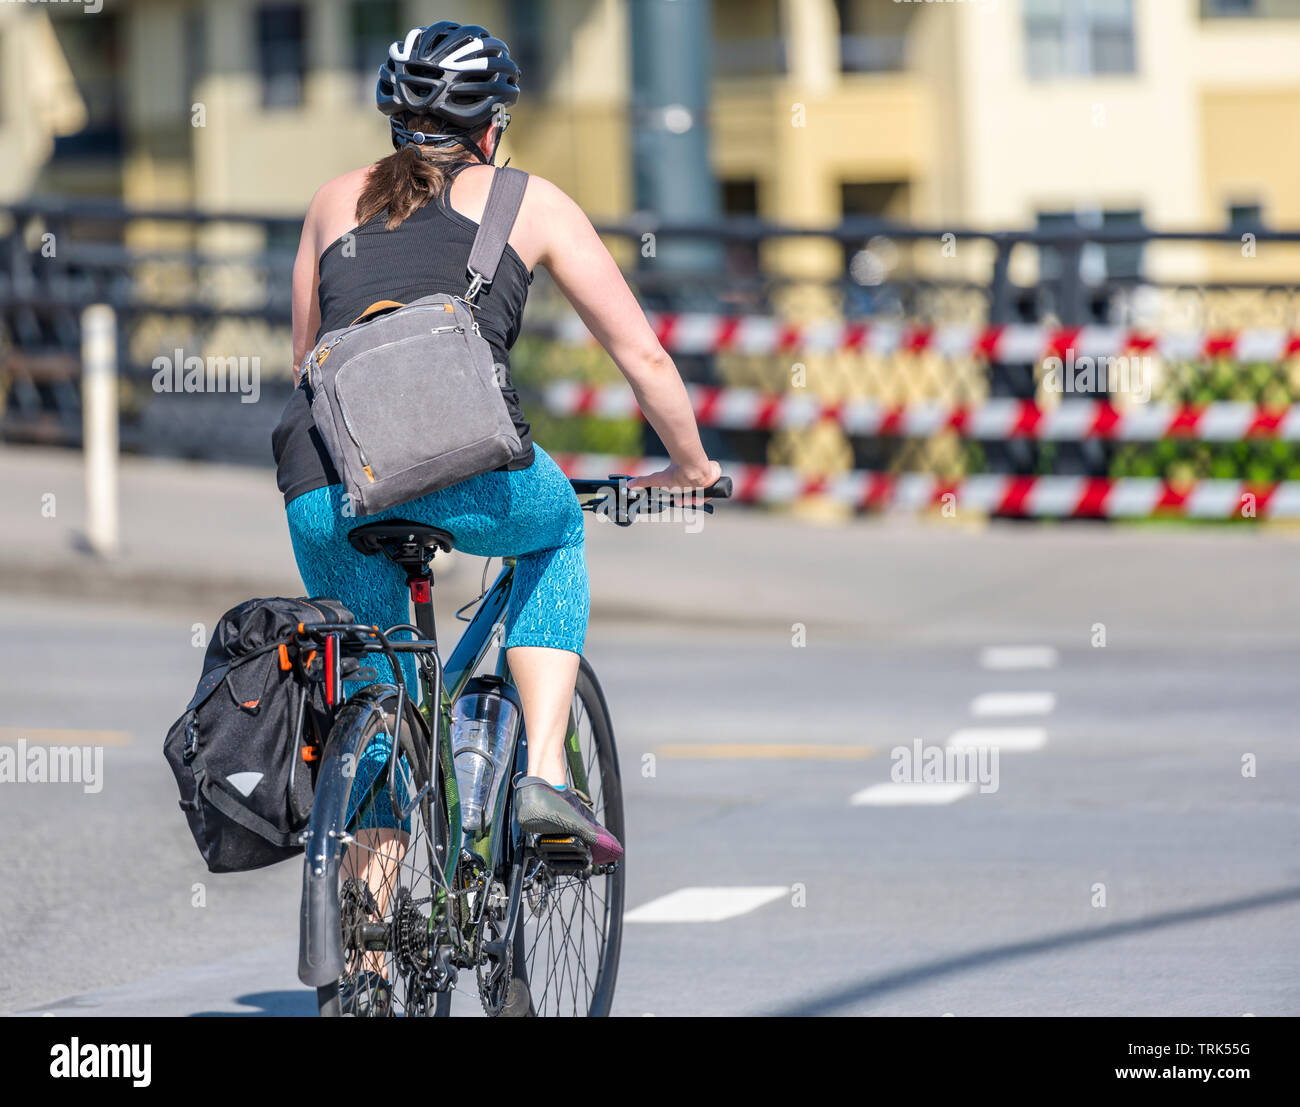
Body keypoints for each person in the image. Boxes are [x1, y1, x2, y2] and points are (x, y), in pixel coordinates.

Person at [272, 23, 719, 883]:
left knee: (382, 693)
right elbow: (645, 357)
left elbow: (307, 362)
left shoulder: (333, 201)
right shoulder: (531, 202)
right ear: (490, 127)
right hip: (463, 465)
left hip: (325, 481)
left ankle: (365, 968)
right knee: (555, 536)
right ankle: (546, 776)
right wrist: (691, 468)